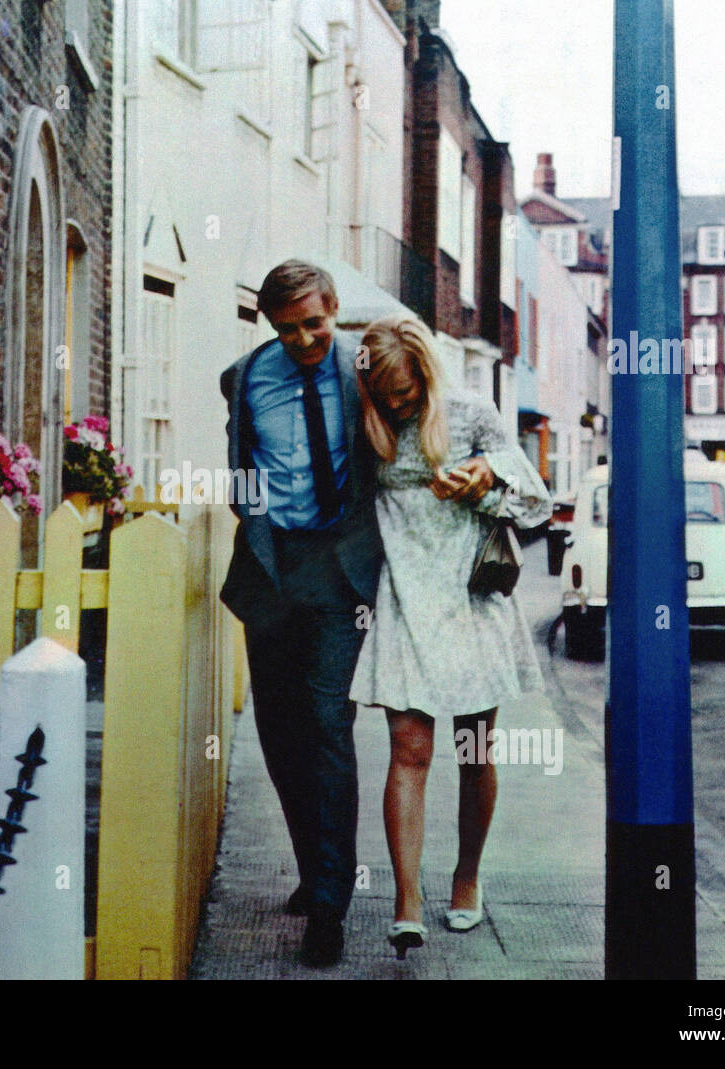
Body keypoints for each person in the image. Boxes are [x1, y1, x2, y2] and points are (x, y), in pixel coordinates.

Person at [347, 314, 552, 957]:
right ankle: (407, 901)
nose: (399, 406)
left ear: (427, 374)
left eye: (407, 393)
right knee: (408, 750)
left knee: (473, 751)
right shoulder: (369, 424)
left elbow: (538, 504)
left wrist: (485, 486)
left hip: (470, 599)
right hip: (405, 598)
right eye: (386, 397)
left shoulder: (470, 413)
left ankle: (467, 878)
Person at [219, 260, 381, 967]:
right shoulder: (246, 376)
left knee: (325, 724)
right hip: (270, 568)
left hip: (338, 570)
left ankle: (330, 903)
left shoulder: (368, 368)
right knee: (278, 728)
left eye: (314, 323)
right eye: (288, 329)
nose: (305, 339)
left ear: (334, 310)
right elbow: (241, 465)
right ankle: (313, 868)